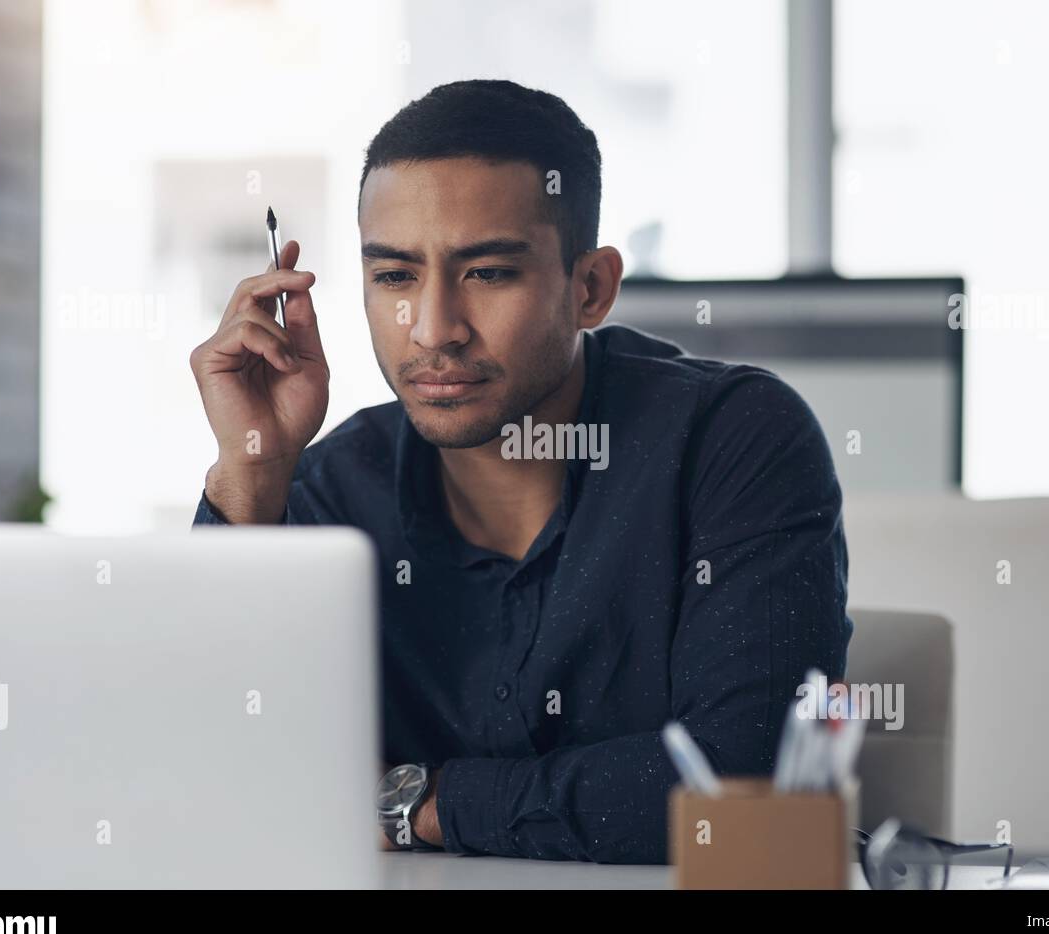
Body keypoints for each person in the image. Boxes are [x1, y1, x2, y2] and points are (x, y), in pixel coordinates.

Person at [189, 79, 852, 863]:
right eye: (395, 276)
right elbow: (201, 767)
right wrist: (250, 471)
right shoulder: (329, 486)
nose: (434, 330)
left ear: (591, 287)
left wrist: (418, 804)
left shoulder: (734, 442)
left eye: (489, 273)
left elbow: (747, 790)